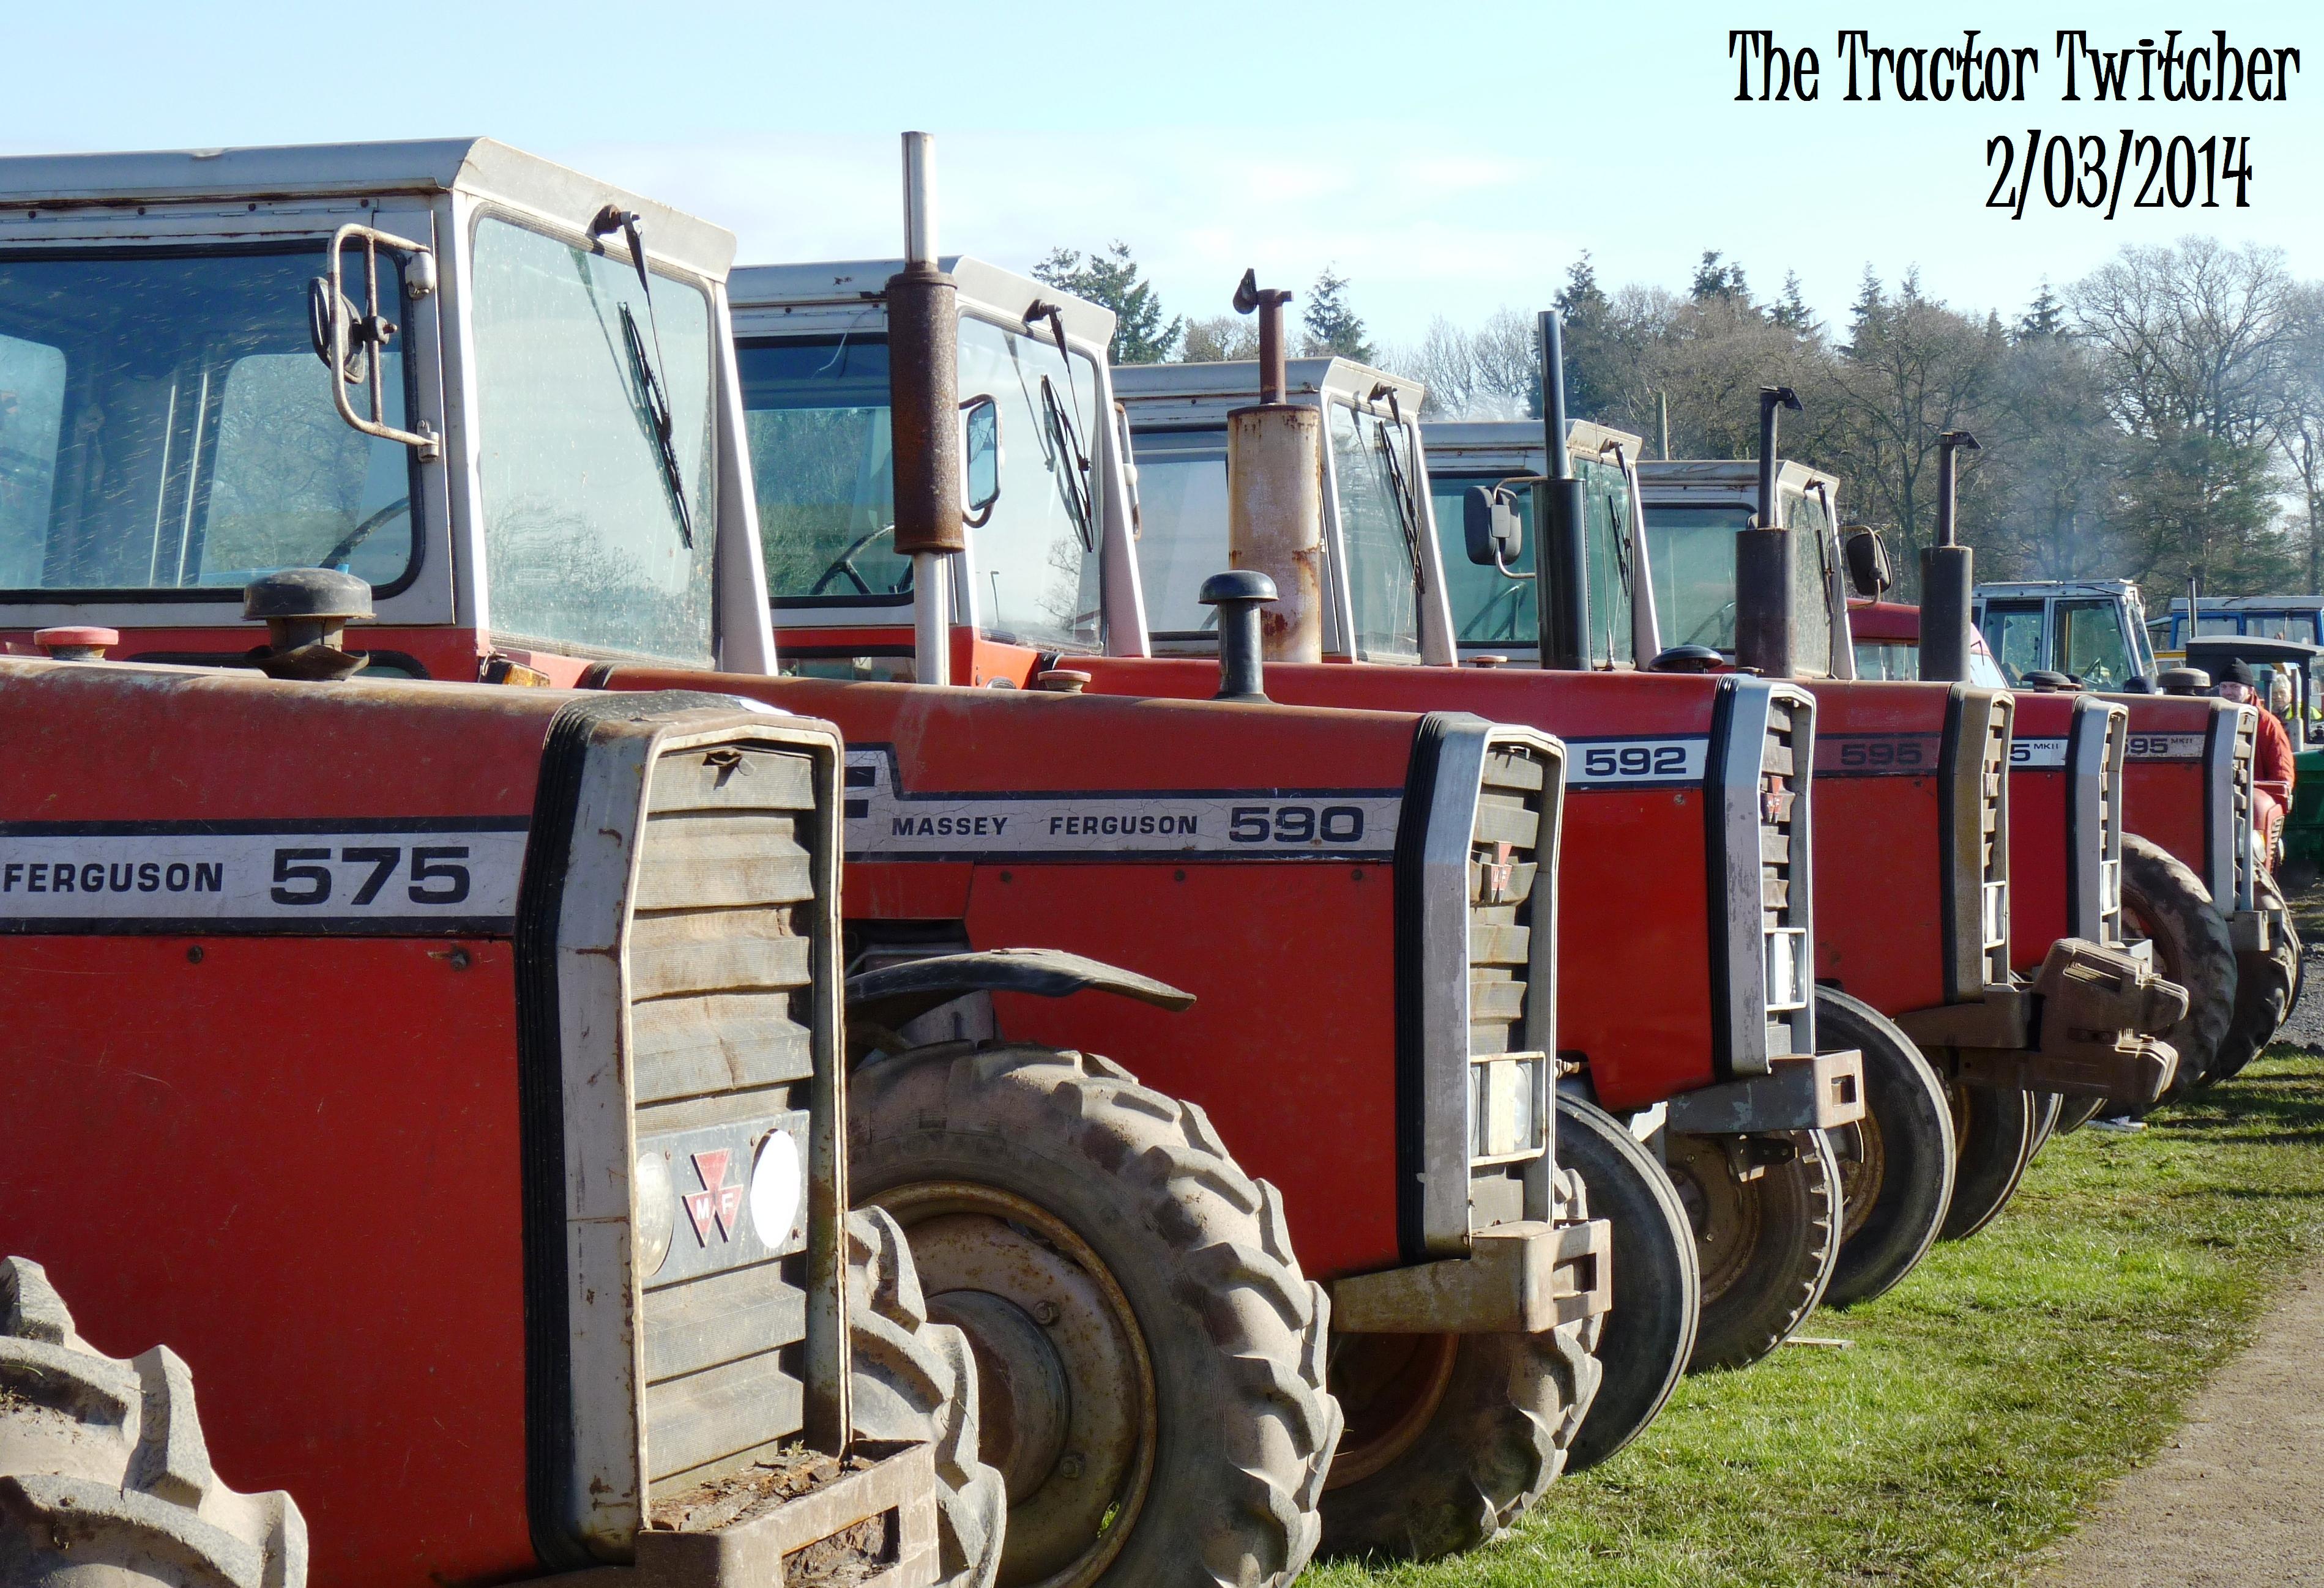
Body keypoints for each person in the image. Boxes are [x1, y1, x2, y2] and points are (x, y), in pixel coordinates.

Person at [2216, 657, 2295, 867]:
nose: (2228, 692)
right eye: (2224, 687)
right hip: (2220, 803)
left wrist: (2271, 802)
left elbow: (2282, 772)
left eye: (2235, 687)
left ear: (2250, 690)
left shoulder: (2266, 724)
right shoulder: (2213, 718)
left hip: (2251, 810)